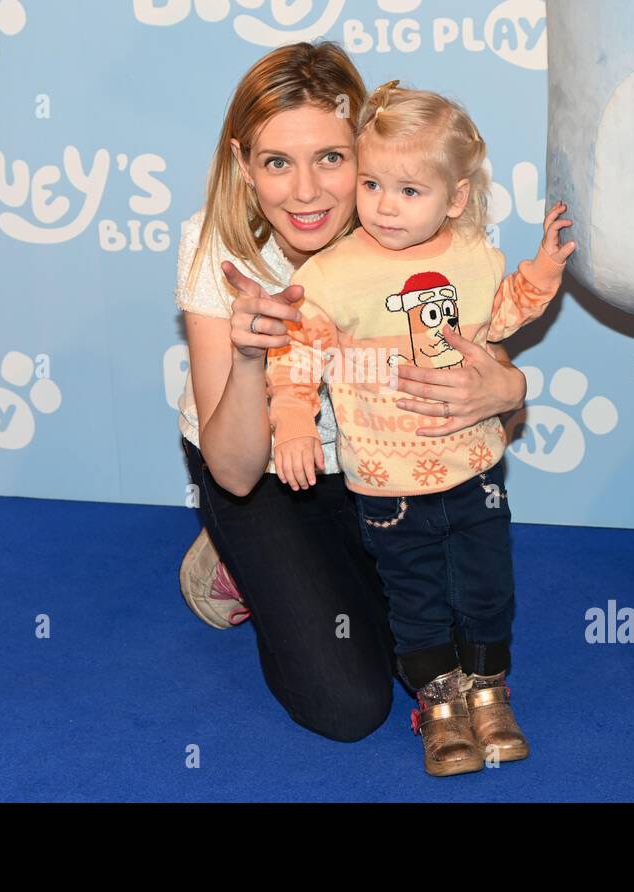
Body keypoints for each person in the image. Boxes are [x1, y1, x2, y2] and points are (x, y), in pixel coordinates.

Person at [174, 42, 531, 743]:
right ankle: (232, 554)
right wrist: (252, 359)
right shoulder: (217, 250)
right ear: (245, 165)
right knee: (349, 706)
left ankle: (313, 567)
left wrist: (509, 386)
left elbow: (488, 406)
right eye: (278, 162)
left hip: (391, 475)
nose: (306, 193)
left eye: (331, 159)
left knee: (441, 633)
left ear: (367, 154)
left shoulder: (425, 229)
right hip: (266, 471)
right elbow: (236, 469)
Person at [266, 81, 575, 775]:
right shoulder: (331, 275)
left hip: (476, 473)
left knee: (487, 588)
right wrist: (292, 422)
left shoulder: (471, 255)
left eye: (409, 191)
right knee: (416, 599)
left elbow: (499, 316)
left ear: (456, 198)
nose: (383, 205)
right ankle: (439, 707)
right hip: (386, 485)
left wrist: (545, 269)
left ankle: (489, 691)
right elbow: (294, 356)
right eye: (372, 183)